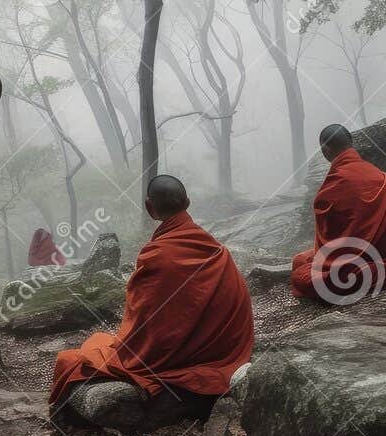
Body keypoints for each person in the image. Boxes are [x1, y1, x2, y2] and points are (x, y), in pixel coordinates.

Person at [48, 175, 254, 418]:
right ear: (187, 201)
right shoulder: (218, 251)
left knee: (80, 356)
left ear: (149, 207)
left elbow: (144, 325)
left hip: (171, 357)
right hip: (227, 351)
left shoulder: (156, 255)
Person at [291, 124, 386, 302]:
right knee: (301, 260)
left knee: (300, 276)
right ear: (351, 144)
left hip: (381, 267)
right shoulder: (380, 175)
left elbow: (332, 242)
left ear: (325, 150)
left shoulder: (335, 185)